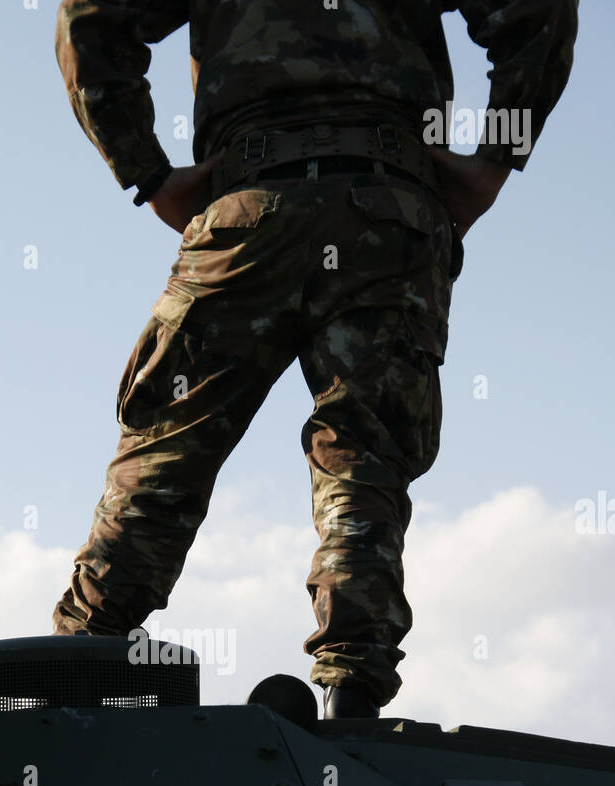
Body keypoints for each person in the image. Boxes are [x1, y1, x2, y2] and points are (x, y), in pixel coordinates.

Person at [51, 1, 578, 718]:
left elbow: (89, 15)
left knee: (168, 444)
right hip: (389, 203)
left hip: (247, 202)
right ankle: (350, 694)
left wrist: (146, 171)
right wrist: (495, 158)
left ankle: (72, 674)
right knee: (364, 454)